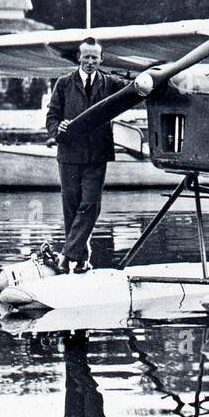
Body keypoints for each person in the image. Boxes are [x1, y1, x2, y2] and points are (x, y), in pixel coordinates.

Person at [45, 38, 121, 272]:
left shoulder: (110, 83)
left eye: (94, 57)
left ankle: (66, 256)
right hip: (69, 154)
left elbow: (136, 90)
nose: (90, 62)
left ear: (101, 59)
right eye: (86, 57)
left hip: (97, 155)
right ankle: (80, 260)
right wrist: (58, 129)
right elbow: (52, 117)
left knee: (91, 204)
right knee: (71, 207)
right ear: (78, 57)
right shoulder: (63, 84)